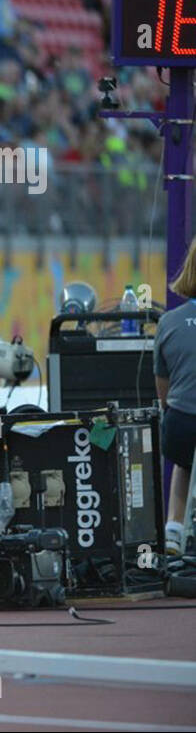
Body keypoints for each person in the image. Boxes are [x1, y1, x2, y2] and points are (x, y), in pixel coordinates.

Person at [155, 237, 196, 556]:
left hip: (179, 428)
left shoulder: (167, 322)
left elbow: (164, 395)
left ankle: (173, 529)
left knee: (184, 464)